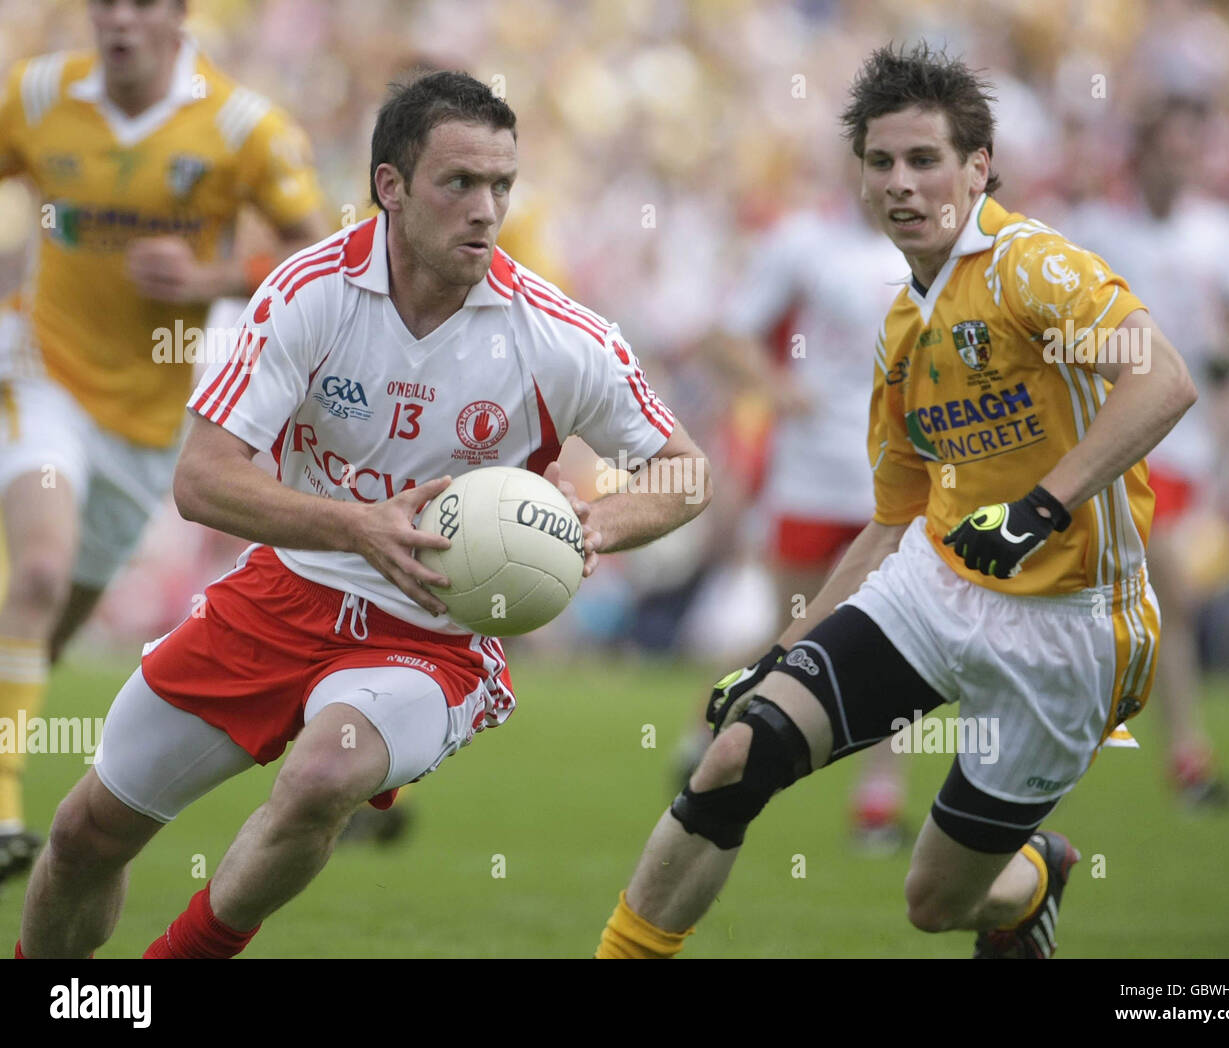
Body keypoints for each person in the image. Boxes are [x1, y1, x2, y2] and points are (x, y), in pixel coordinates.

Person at [15, 70, 709, 959]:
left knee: (325, 773)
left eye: (501, 185)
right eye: (458, 183)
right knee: (85, 836)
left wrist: (592, 526)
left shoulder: (561, 337)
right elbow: (202, 482)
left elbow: (688, 475)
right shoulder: (308, 292)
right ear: (391, 186)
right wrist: (357, 526)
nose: (486, 209)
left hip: (431, 636)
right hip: (281, 594)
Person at [596, 42, 1196, 960]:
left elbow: (1162, 381)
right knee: (734, 757)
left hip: (1072, 627)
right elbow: (889, 523)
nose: (901, 183)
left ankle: (1034, 877)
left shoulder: (1030, 264)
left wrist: (1041, 507)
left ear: (977, 168)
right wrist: (778, 653)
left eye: (925, 160)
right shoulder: (903, 328)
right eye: (882, 162)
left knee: (934, 904)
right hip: (936, 586)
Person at [0, 0, 329, 882]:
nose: (118, 18)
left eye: (141, 2)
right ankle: (0, 805)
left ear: (178, 16)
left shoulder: (241, 127)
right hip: (41, 368)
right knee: (34, 572)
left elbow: (320, 248)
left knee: (54, 616)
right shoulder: (35, 96)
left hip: (154, 414)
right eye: (103, 1)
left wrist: (213, 277)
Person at [1061, 96, 1229, 807]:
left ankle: (1177, 753)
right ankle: (1183, 753)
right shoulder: (1095, 230)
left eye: (1190, 150)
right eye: (1168, 149)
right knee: (1162, 588)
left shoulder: (1218, 237)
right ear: (1140, 155)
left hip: (1190, 438)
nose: (1179, 163)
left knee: (1160, 598)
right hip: (1117, 436)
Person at [694, 189, 912, 849]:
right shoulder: (802, 240)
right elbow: (724, 337)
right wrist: (778, 388)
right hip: (812, 473)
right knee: (788, 629)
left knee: (896, 625)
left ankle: (878, 799)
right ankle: (707, 734)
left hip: (896, 477)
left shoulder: (935, 247)